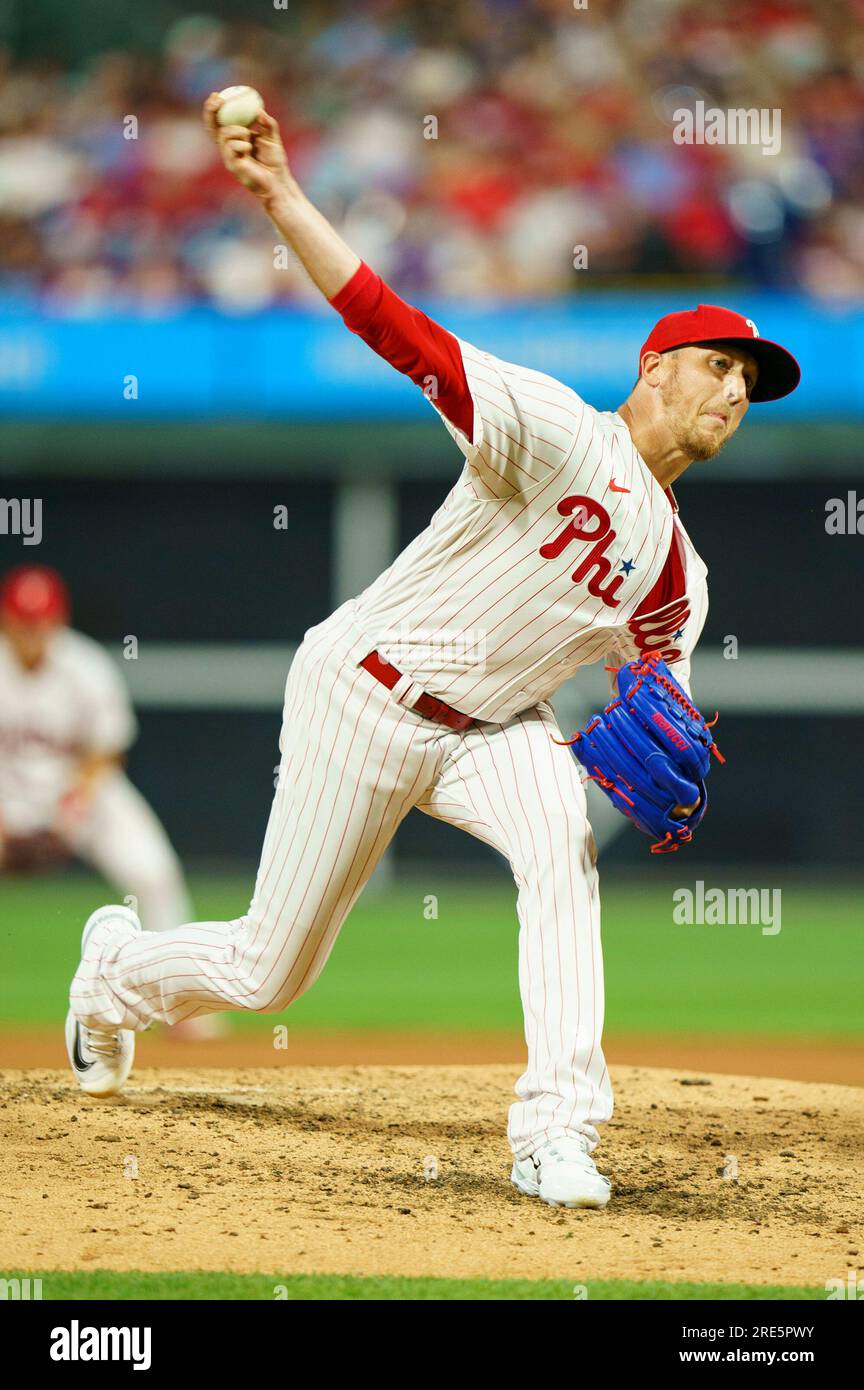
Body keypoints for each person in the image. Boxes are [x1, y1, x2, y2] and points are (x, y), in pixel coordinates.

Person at [66, 96, 800, 1210]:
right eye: (718, 366)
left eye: (748, 384)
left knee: (563, 849)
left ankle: (556, 1130)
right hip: (364, 692)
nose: (734, 391)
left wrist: (668, 730)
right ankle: (115, 973)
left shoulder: (680, 579)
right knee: (272, 971)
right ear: (654, 370)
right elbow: (394, 325)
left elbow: (659, 695)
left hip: (492, 731)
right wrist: (279, 194)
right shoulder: (558, 429)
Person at [0, 563, 191, 941]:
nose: (31, 631)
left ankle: (180, 988)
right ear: (6, 619)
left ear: (58, 619)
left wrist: (72, 808)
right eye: (23, 620)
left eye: (39, 621)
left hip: (75, 791)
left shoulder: (85, 667)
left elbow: (107, 750)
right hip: (7, 791)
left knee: (152, 873)